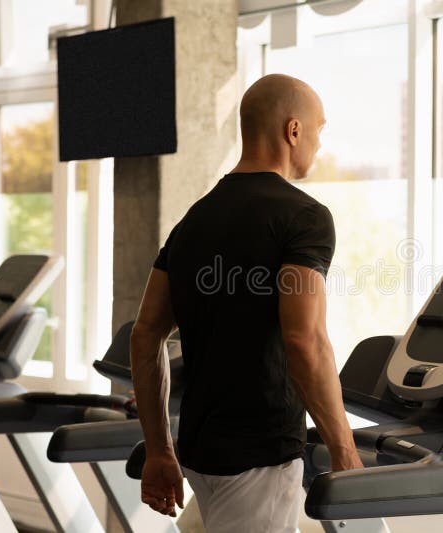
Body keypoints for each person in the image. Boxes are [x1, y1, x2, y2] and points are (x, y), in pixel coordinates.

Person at [129, 73, 363, 532]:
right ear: (293, 130)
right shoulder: (305, 217)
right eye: (318, 130)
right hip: (259, 455)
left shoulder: (194, 219)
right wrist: (345, 452)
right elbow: (305, 340)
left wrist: (160, 449)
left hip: (200, 451)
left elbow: (145, 334)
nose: (319, 144)